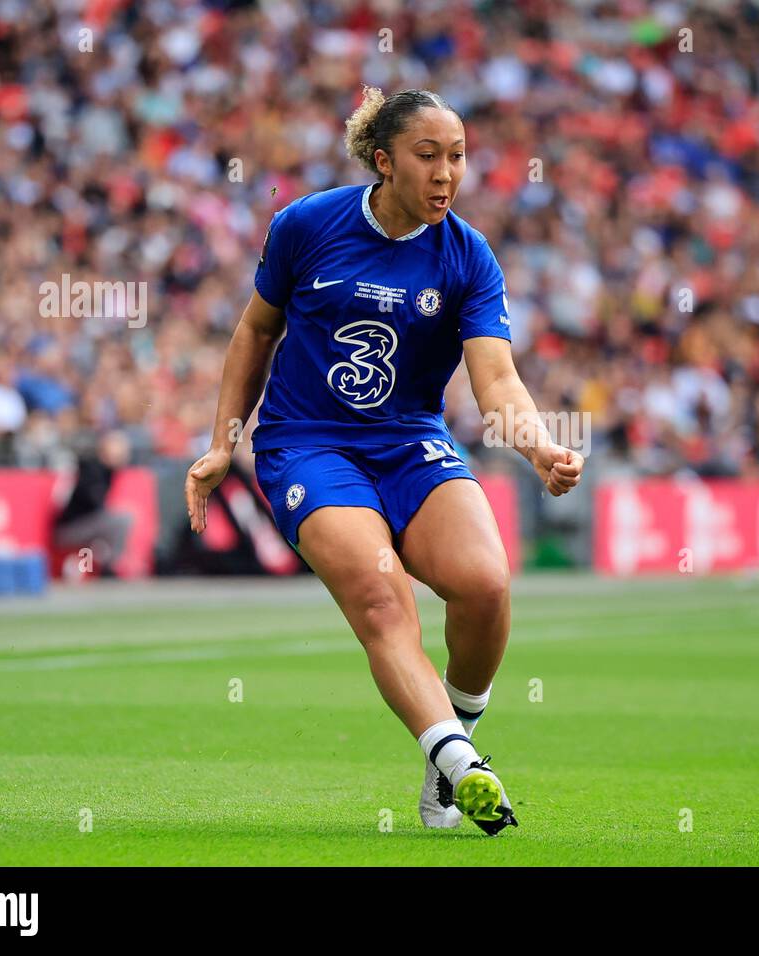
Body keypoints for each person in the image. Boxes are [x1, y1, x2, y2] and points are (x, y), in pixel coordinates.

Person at [184, 88, 584, 836]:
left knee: (486, 586)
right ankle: (465, 770)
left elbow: (496, 380)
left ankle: (446, 752)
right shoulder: (307, 224)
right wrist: (222, 440)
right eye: (428, 156)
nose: (446, 174)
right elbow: (254, 333)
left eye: (457, 157)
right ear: (384, 160)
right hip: (307, 442)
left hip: (410, 440)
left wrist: (538, 446)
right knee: (381, 597)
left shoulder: (468, 254)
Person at [54, 430, 134, 577]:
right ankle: (110, 566)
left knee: (116, 521)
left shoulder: (106, 471)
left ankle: (105, 563)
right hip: (70, 530)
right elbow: (92, 502)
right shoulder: (92, 469)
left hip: (81, 526)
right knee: (122, 520)